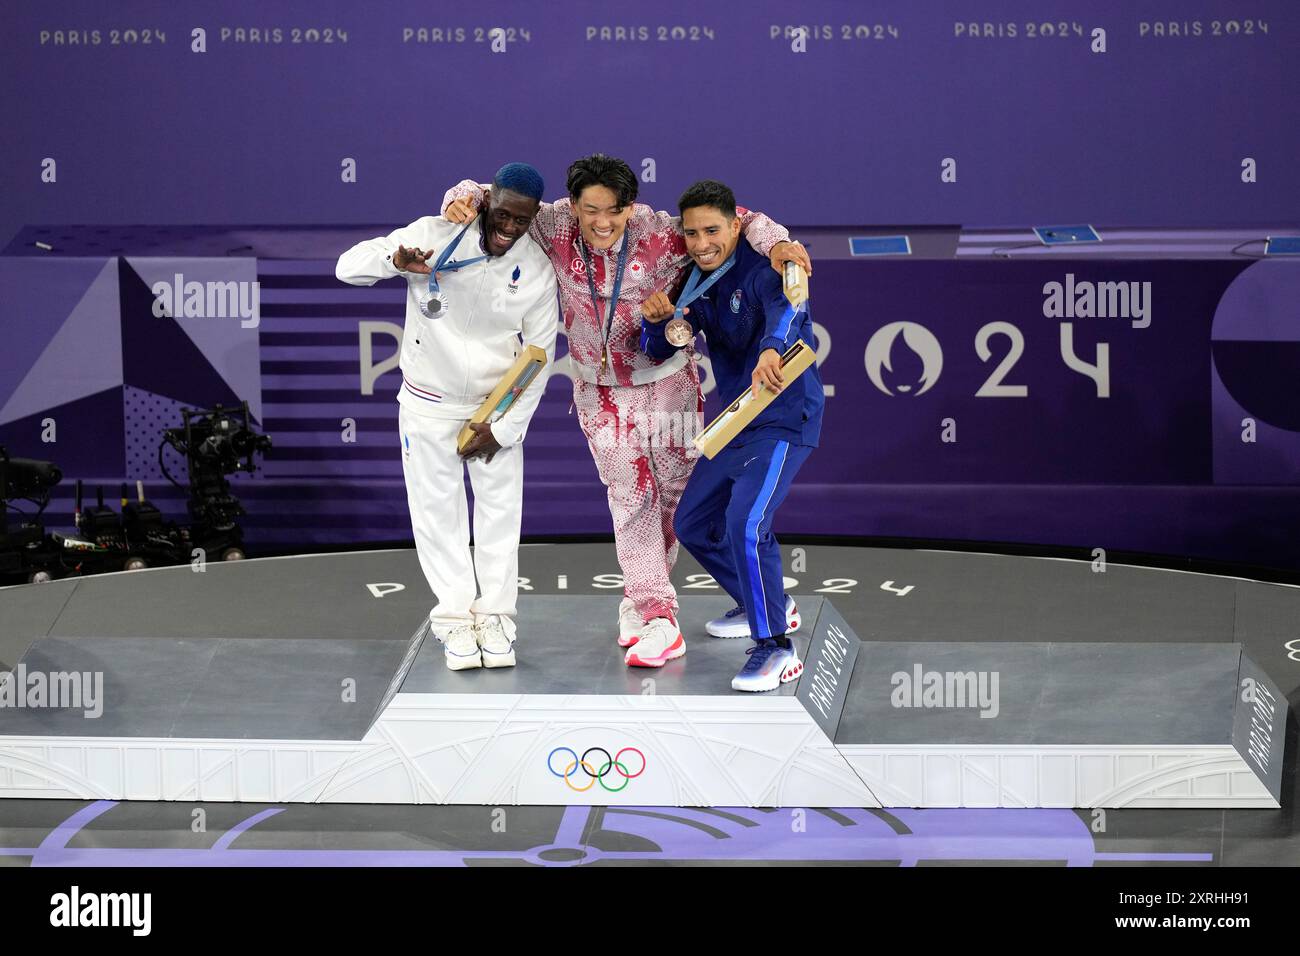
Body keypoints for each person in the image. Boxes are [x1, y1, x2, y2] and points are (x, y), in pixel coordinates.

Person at [442, 155, 811, 668]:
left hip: (669, 387)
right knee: (630, 499)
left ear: (630, 206)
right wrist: (458, 198)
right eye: (591, 209)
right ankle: (656, 612)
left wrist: (776, 243)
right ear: (573, 206)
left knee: (678, 507)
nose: (602, 222)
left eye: (614, 211)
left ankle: (753, 602)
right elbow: (490, 190)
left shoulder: (662, 232)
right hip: (599, 395)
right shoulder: (551, 224)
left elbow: (737, 220)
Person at [336, 163, 558, 671]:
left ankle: (497, 618)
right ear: (485, 202)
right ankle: (456, 622)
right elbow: (346, 268)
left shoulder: (537, 267)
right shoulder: (433, 234)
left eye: (521, 221)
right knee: (439, 516)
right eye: (502, 214)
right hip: (427, 406)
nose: (510, 228)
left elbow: (540, 354)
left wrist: (501, 427)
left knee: (500, 517)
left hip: (492, 409)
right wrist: (395, 262)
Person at [639, 180, 824, 692]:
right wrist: (657, 324)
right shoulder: (694, 282)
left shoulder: (763, 264)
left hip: (784, 416)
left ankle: (776, 649)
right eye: (692, 233)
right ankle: (765, 604)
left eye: (713, 230)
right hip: (737, 421)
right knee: (693, 521)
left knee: (746, 522)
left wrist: (771, 349)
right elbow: (661, 348)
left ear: (736, 226)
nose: (702, 242)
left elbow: (791, 305)